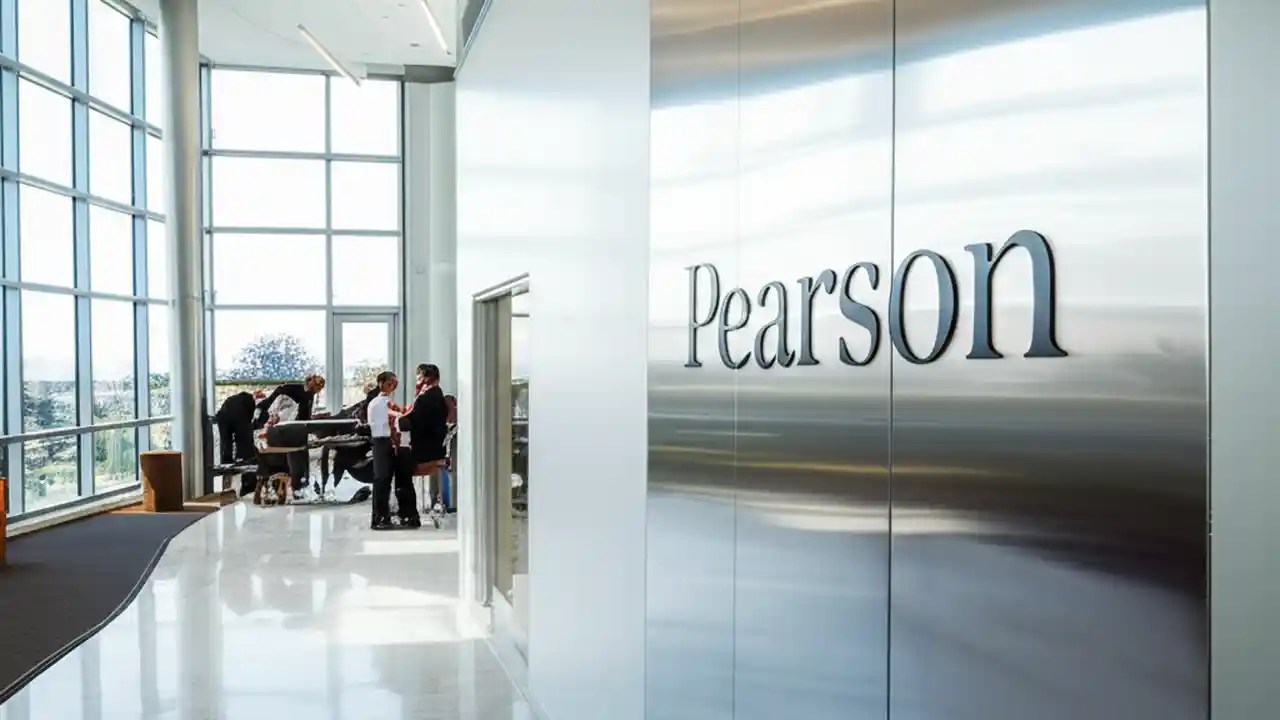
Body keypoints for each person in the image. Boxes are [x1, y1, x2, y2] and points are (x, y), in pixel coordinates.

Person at [367, 371, 420, 530]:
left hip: (395, 442)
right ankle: (381, 517)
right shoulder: (377, 403)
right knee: (382, 479)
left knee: (402, 479)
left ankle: (406, 515)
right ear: (381, 383)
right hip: (382, 441)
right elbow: (392, 418)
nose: (393, 385)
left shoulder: (388, 402)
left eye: (395, 382)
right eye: (390, 382)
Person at [406, 364, 449, 509]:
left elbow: (412, 419)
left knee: (398, 465)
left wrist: (399, 415)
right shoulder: (438, 394)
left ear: (427, 378)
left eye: (419, 377)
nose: (417, 380)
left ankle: (406, 509)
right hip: (435, 446)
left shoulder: (427, 397)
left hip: (426, 449)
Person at [253, 374, 325, 429]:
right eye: (318, 389)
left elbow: (304, 418)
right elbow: (303, 419)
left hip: (271, 413)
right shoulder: (305, 395)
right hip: (270, 416)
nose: (318, 391)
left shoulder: (307, 395)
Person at [214, 391, 257, 466]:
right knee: (244, 439)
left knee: (226, 442)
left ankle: (226, 462)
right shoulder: (248, 401)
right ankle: (245, 460)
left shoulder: (233, 399)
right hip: (236, 417)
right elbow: (248, 419)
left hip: (223, 418)